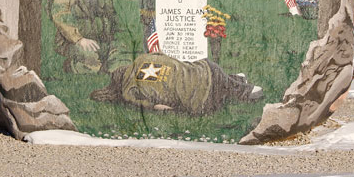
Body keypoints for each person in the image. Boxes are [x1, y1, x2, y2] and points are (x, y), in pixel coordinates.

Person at [89, 53, 263, 116]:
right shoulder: (142, 58)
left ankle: (237, 84)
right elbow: (164, 56)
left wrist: (157, 106)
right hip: (205, 68)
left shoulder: (128, 91)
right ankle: (240, 86)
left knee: (210, 85)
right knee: (209, 76)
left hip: (199, 100)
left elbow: (144, 103)